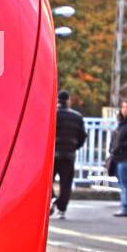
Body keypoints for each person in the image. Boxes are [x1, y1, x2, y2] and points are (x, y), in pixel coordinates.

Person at [51, 90, 87, 219]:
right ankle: (61, 208)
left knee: (48, 181)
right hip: (69, 154)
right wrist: (75, 147)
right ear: (68, 101)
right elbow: (82, 136)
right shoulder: (77, 117)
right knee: (66, 183)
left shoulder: (52, 114)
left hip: (52, 155)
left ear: (57, 101)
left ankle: (51, 200)